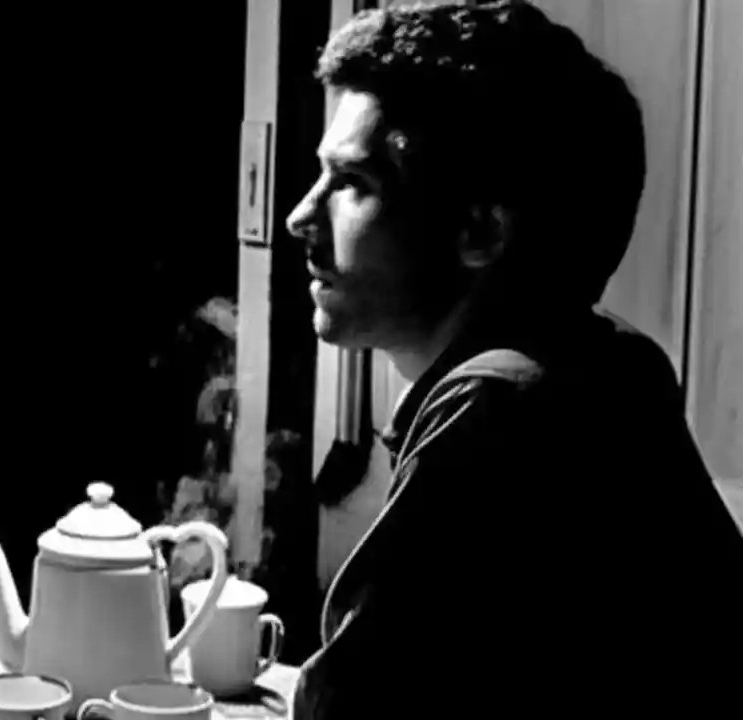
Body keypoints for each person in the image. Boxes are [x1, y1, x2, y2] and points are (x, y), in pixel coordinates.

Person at [283, 1, 743, 717]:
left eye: (352, 184)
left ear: (480, 231)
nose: (300, 217)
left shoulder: (500, 406)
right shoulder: (613, 367)